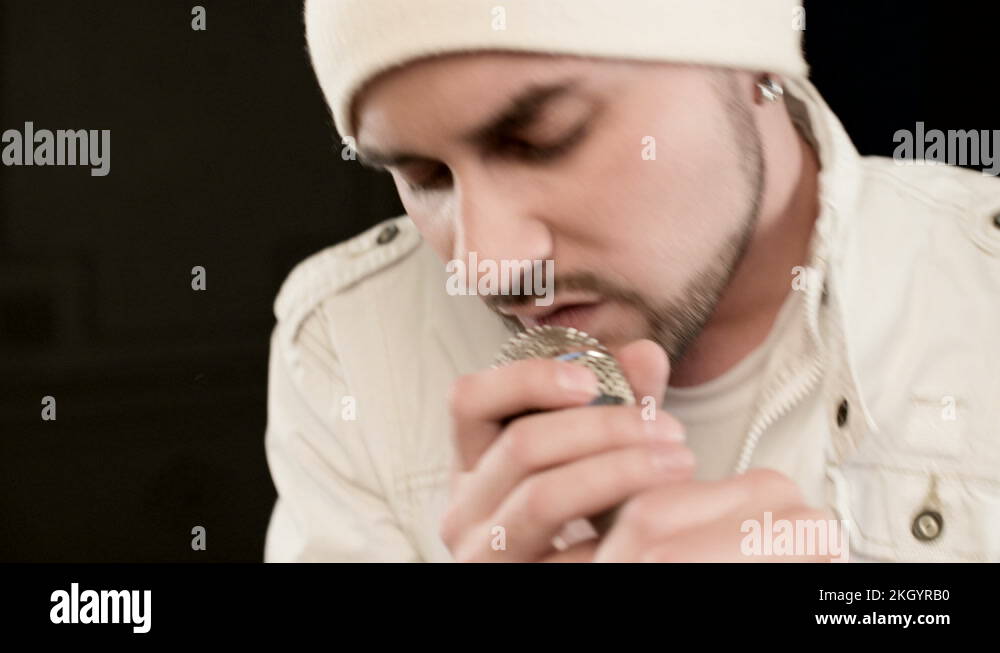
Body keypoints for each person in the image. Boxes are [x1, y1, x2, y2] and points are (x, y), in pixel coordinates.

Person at [263, 0, 1000, 562]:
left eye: (544, 141)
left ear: (752, 66)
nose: (487, 259)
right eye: (425, 177)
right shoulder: (349, 348)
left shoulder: (980, 287)